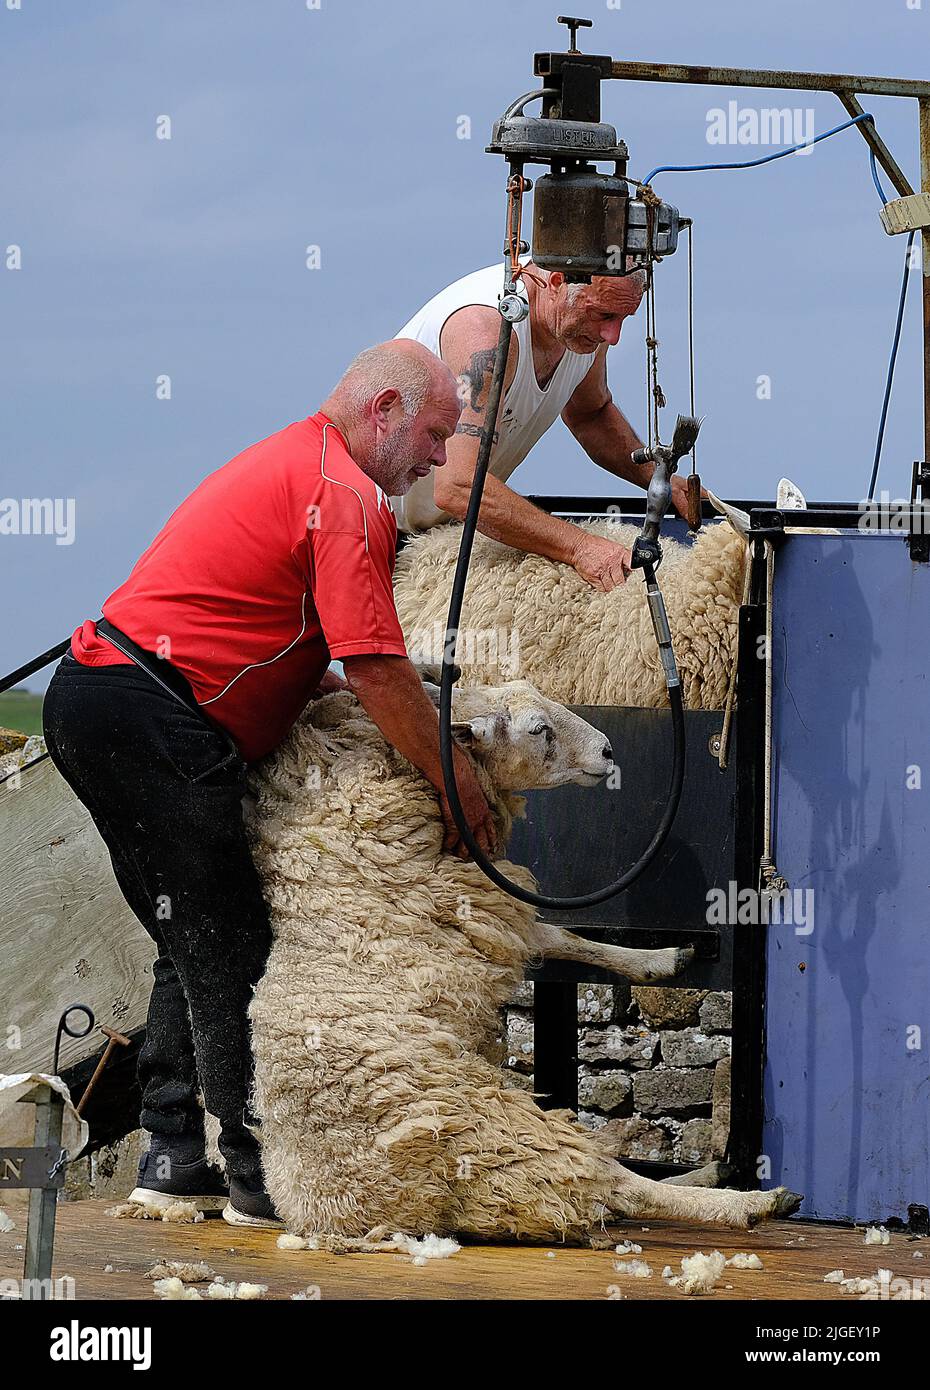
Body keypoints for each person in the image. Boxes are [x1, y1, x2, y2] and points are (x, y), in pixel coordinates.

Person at [42, 339, 497, 1228]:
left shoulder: (294, 459)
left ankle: (171, 1153)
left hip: (94, 697)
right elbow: (372, 661)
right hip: (151, 714)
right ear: (385, 412)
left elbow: (279, 635)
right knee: (232, 939)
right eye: (436, 433)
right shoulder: (349, 495)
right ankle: (263, 1171)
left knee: (186, 931)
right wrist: (456, 782)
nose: (440, 459)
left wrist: (310, 682)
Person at [391, 261, 704, 591]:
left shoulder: (578, 331)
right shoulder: (489, 331)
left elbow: (591, 414)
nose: (612, 337)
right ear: (556, 281)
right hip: (370, 522)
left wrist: (663, 482)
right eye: (604, 315)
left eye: (623, 318)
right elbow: (458, 485)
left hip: (438, 534)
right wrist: (580, 547)